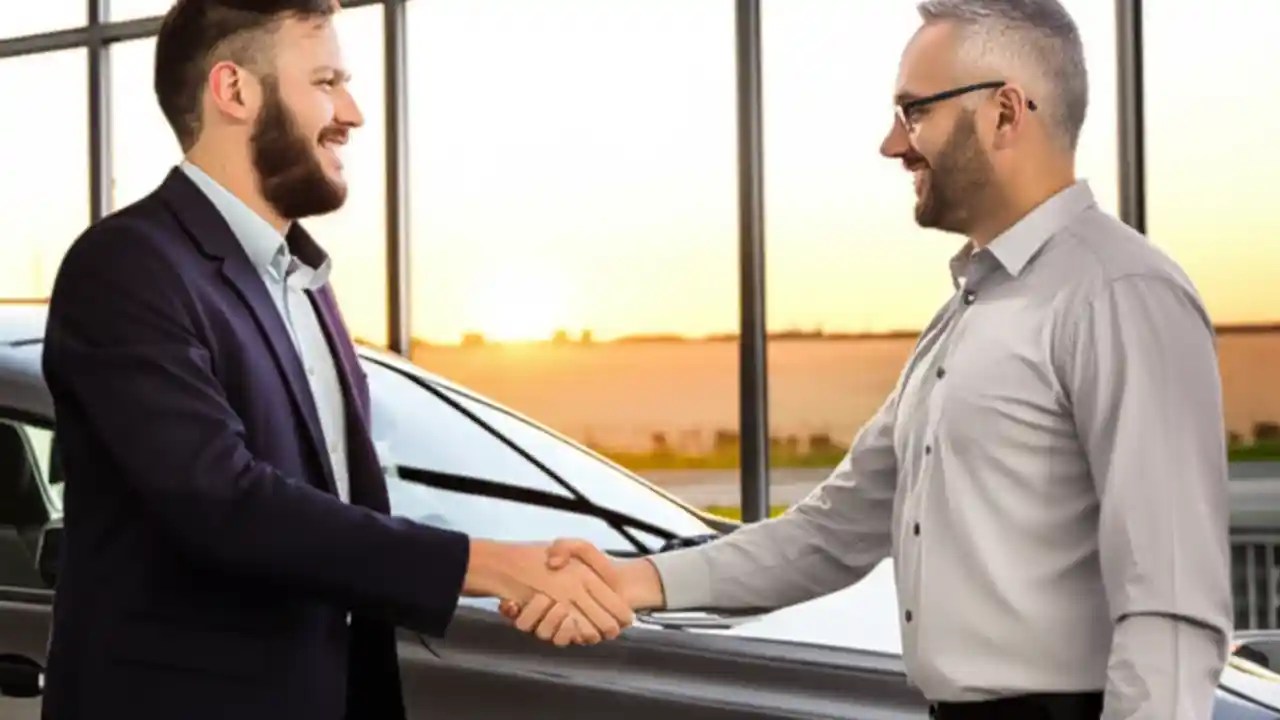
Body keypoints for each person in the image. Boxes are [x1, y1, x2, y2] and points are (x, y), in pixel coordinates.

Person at [504, 1, 1233, 718]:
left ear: (1007, 113)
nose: (893, 144)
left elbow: (1170, 607)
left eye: (915, 111)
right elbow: (828, 532)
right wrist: (633, 581)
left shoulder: (1120, 293)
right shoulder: (964, 319)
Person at [38, 1, 632, 719]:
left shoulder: (301, 282)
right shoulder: (128, 267)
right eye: (325, 81)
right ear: (235, 91)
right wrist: (494, 564)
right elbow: (224, 505)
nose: (351, 111)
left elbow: (336, 509)